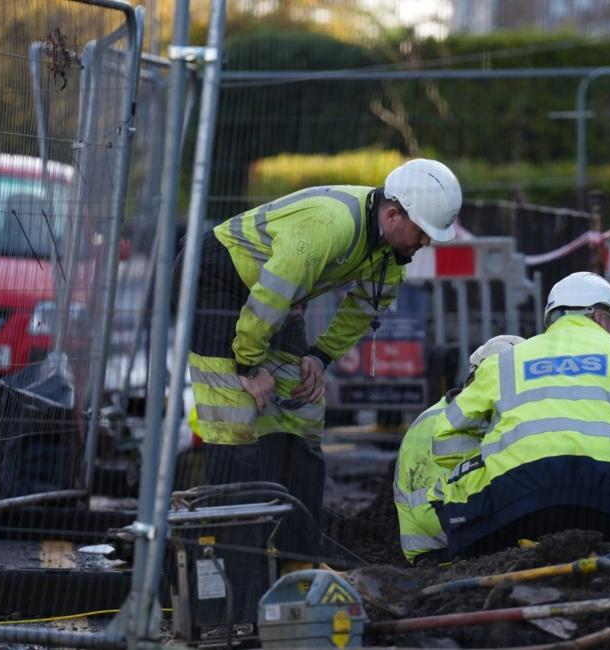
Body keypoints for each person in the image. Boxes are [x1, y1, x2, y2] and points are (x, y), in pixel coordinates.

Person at [173, 159, 462, 570]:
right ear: (393, 215)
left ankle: (296, 553)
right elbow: (272, 295)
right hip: (213, 281)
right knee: (233, 416)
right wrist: (248, 367)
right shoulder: (328, 226)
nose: (426, 242)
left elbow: (363, 308)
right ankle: (235, 560)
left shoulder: (390, 253)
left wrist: (319, 356)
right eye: (422, 231)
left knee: (303, 408)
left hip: (270, 299)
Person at [432, 272, 610, 559]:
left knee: (449, 495)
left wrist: (493, 455)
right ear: (599, 316)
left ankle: (463, 562)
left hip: (519, 499)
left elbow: (443, 437)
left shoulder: (504, 362)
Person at [393, 335, 524, 565]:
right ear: (476, 381)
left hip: (462, 548)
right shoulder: (436, 424)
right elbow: (431, 516)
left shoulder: (482, 420)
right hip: (442, 555)